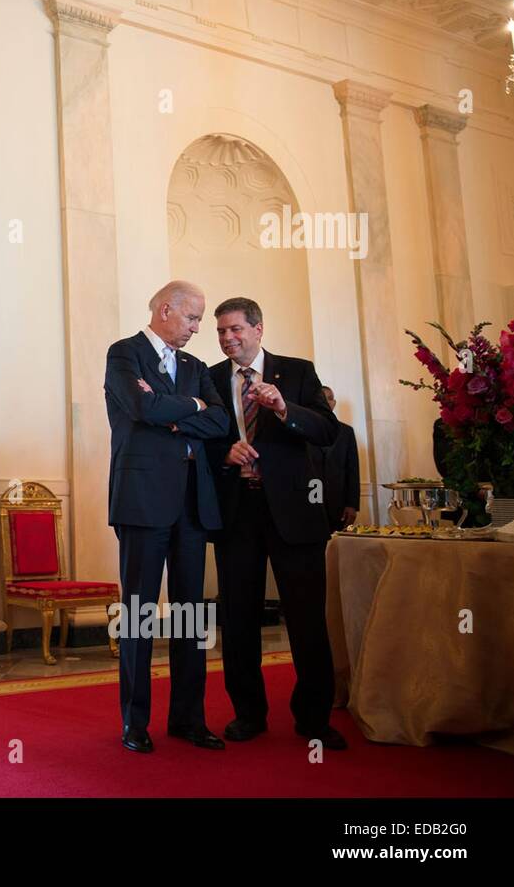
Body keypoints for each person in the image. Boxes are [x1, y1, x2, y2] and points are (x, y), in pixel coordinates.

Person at [207, 297, 345, 751]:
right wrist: (224, 454)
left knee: (306, 620)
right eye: (221, 331)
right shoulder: (207, 379)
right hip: (237, 512)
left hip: (296, 514)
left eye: (236, 330)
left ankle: (314, 719)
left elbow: (327, 431)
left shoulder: (298, 371)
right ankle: (248, 714)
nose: (228, 338)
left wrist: (285, 409)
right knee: (240, 619)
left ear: (258, 328)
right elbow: (200, 440)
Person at [104, 280, 230, 754]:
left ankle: (188, 719)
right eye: (193, 318)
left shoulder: (197, 368)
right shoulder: (124, 354)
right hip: (141, 501)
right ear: (164, 309)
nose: (199, 328)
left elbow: (219, 422)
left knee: (188, 614)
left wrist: (177, 412)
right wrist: (188, 408)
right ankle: (135, 723)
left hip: (192, 505)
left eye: (200, 320)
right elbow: (139, 406)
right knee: (138, 615)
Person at [315, 386, 359, 533]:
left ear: (334, 403)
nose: (326, 402)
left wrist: (352, 505)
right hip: (310, 502)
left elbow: (352, 470)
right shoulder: (301, 430)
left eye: (330, 398)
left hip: (339, 505)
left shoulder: (347, 432)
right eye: (321, 398)